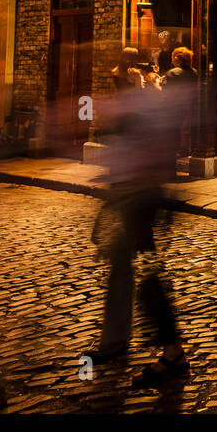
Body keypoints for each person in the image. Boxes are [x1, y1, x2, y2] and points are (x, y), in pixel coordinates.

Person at [83, 80, 188, 387]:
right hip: (131, 201)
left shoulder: (141, 109)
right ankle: (114, 342)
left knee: (148, 280)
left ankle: (173, 353)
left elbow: (147, 162)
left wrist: (121, 200)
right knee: (121, 273)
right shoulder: (134, 108)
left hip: (140, 204)